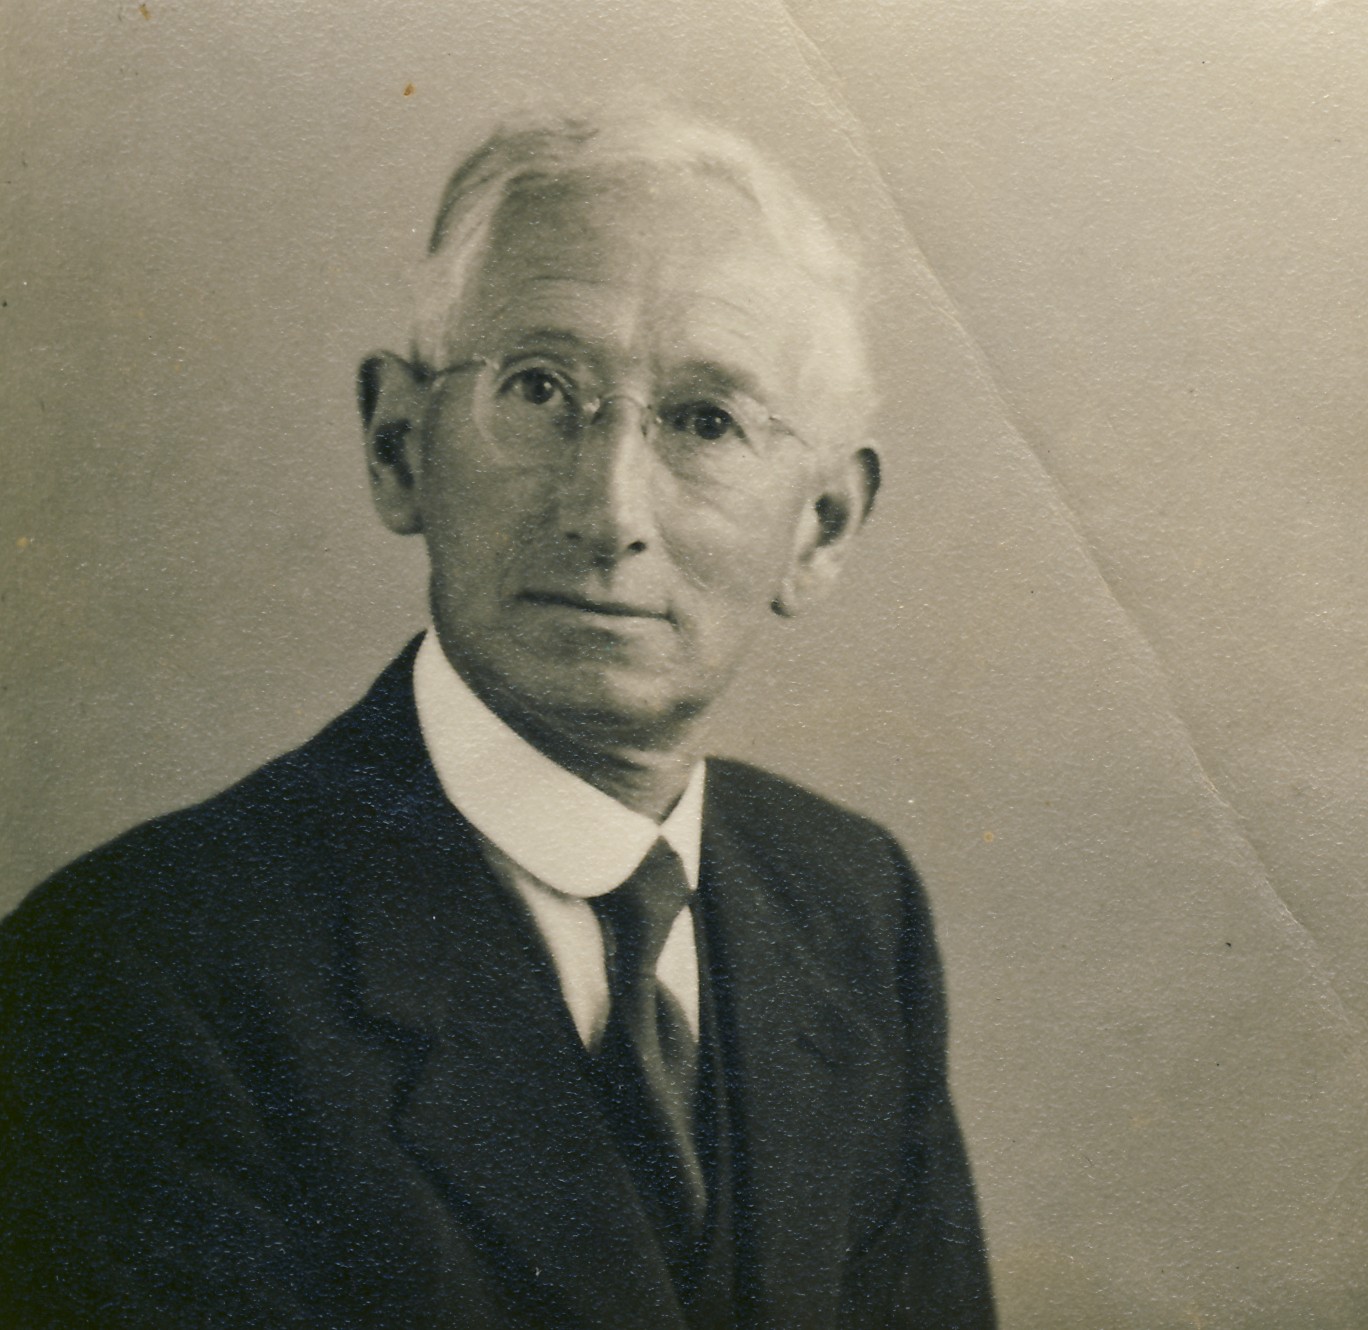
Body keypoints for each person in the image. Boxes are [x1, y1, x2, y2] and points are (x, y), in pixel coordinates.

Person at [0, 105, 995, 1329]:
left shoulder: (849, 907)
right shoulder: (133, 976)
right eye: (541, 389)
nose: (610, 509)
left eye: (705, 421)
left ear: (823, 526)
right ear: (399, 447)